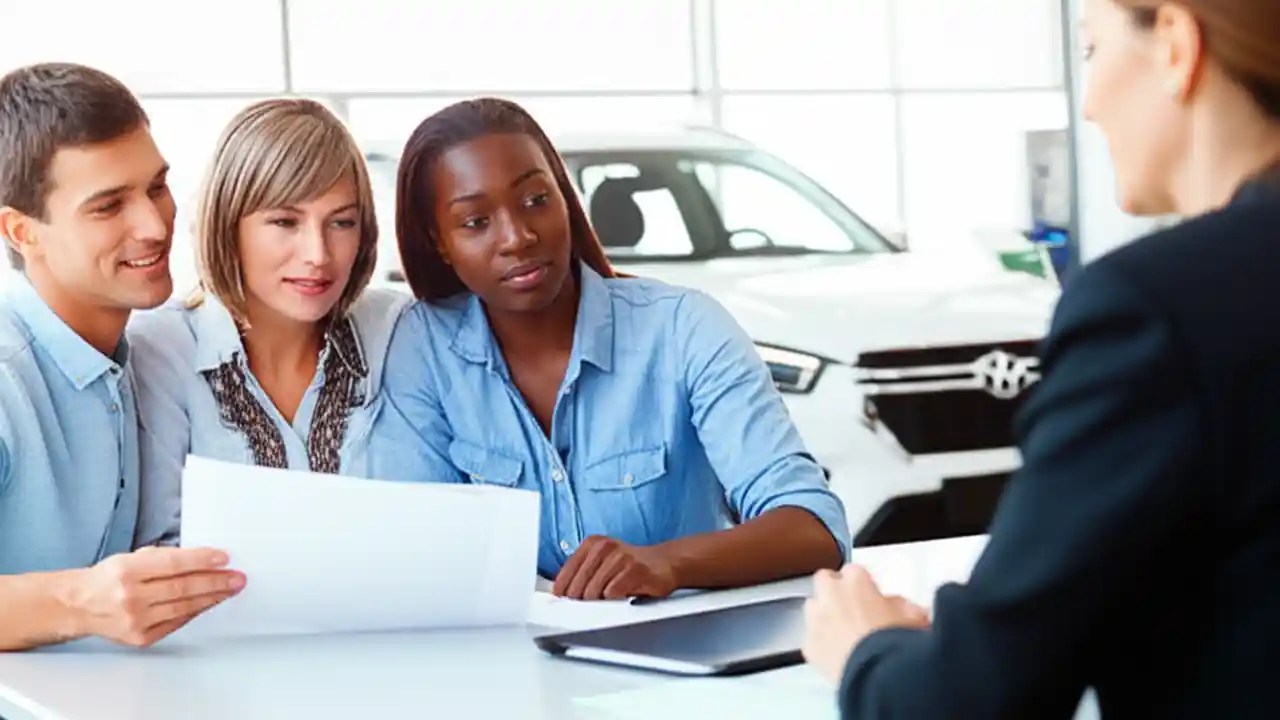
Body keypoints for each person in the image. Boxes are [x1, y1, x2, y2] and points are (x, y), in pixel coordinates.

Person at [802, 0, 1280, 717]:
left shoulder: (1156, 306)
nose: (1088, 107)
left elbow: (976, 700)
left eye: (1091, 50)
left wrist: (865, 650)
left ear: (1176, 45)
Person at [374, 98, 850, 600]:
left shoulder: (682, 327)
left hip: (685, 644)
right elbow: (420, 553)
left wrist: (668, 563)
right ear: (439, 242)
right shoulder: (422, 350)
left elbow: (815, 527)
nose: (518, 237)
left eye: (536, 199)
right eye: (475, 222)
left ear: (565, 199)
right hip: (508, 647)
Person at [0, 63, 244, 651]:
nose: (155, 226)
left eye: (156, 187)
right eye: (108, 207)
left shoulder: (144, 355)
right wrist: (79, 601)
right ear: (22, 232)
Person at [128, 98, 412, 547]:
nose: (318, 254)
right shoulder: (159, 351)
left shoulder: (398, 330)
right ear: (227, 224)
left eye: (341, 223)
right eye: (284, 221)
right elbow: (160, 546)